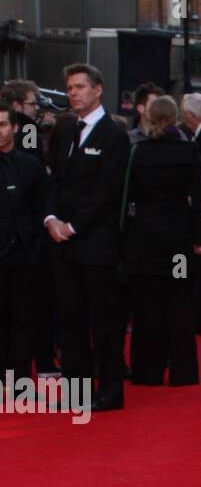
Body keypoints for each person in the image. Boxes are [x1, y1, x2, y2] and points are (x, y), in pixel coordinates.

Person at [43, 63, 131, 411]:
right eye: (69, 88)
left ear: (98, 89)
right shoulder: (65, 132)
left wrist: (73, 226)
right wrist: (51, 219)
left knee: (105, 322)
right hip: (63, 246)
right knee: (70, 320)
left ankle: (109, 390)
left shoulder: (114, 136)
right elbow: (53, 179)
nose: (73, 93)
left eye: (79, 86)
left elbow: (107, 192)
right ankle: (76, 390)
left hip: (97, 245)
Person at [122, 95, 201, 386]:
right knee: (179, 302)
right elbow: (198, 200)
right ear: (174, 118)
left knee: (146, 305)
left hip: (144, 238)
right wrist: (199, 238)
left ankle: (147, 371)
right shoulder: (188, 151)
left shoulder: (137, 152)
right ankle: (183, 371)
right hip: (178, 240)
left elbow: (127, 198)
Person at [0, 100, 46, 384]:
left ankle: (18, 380)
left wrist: (36, 248)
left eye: (3, 124)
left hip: (24, 256)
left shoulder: (30, 166)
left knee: (23, 319)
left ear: (15, 128)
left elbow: (41, 210)